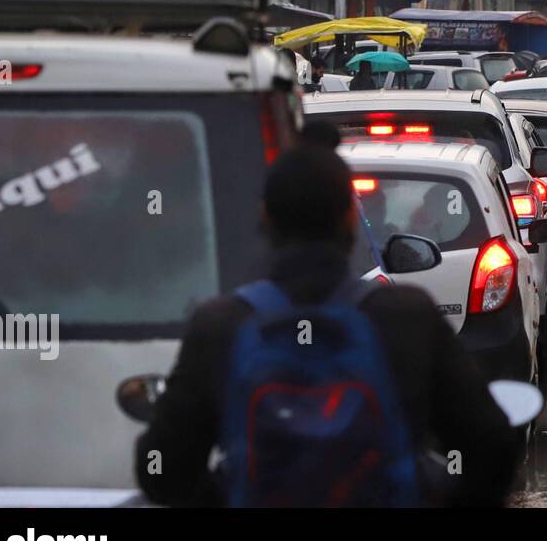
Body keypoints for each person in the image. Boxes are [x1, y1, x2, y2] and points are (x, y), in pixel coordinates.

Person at [135, 143, 521, 507]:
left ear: (265, 218)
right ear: (351, 217)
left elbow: (162, 469)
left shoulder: (220, 326)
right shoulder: (407, 317)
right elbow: (493, 449)